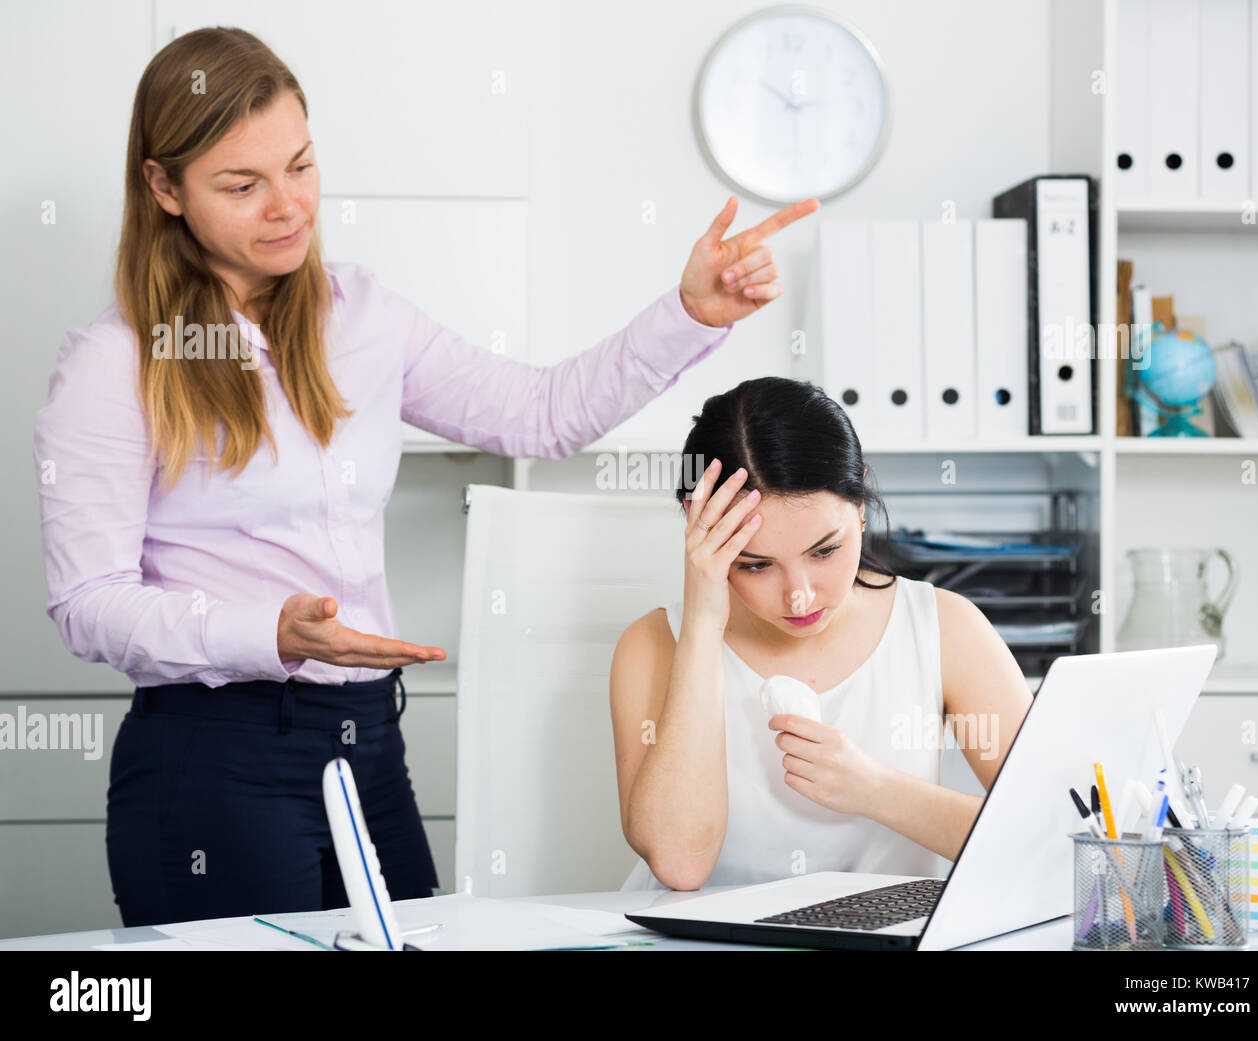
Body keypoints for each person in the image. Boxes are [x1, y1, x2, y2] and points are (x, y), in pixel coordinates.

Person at [31, 26, 816, 927]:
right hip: (213, 756)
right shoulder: (114, 363)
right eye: (242, 186)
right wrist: (270, 632)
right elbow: (88, 602)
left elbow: (540, 413)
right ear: (164, 188)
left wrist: (688, 313)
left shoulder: (359, 314)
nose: (288, 205)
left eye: (300, 165)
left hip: (367, 739)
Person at [610, 377, 1033, 891]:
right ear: (702, 533)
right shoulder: (655, 645)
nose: (800, 597)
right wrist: (701, 624)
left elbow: (1046, 835)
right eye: (757, 565)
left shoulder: (944, 627)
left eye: (825, 551)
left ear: (860, 504)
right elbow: (681, 863)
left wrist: (875, 789)